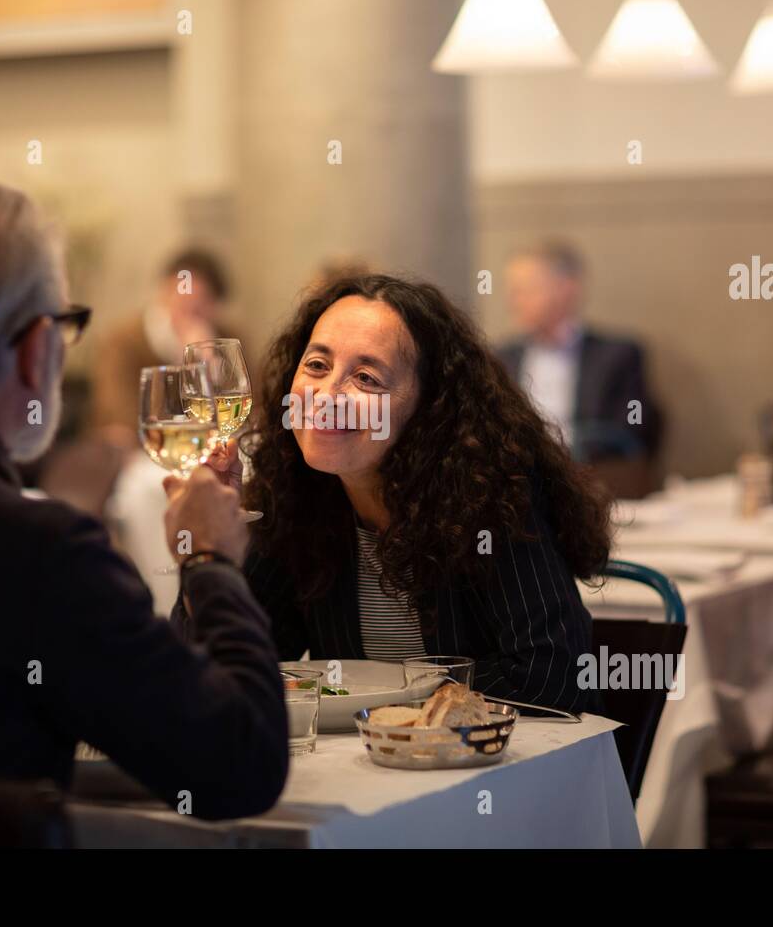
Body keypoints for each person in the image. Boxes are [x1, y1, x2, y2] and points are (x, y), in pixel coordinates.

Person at [0, 179, 286, 820]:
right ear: (35, 347)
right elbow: (242, 764)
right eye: (68, 327)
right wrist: (211, 560)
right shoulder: (38, 551)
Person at [178, 274, 610, 715]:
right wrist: (213, 558)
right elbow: (216, 674)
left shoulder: (492, 494)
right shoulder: (292, 494)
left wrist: (393, 704)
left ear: (429, 407)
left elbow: (554, 674)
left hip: (500, 772)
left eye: (365, 378)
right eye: (317, 366)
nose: (327, 396)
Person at [497, 242, 659, 464]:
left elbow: (631, 430)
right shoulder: (500, 358)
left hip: (590, 479)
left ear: (566, 289)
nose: (514, 302)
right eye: (513, 292)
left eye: (527, 290)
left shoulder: (617, 356)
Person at [90, 247, 232, 446]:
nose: (189, 312)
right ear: (164, 292)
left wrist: (209, 365)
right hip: (140, 456)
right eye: (182, 300)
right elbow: (120, 418)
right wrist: (182, 365)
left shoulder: (227, 339)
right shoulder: (123, 341)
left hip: (209, 450)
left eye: (200, 306)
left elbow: (245, 412)